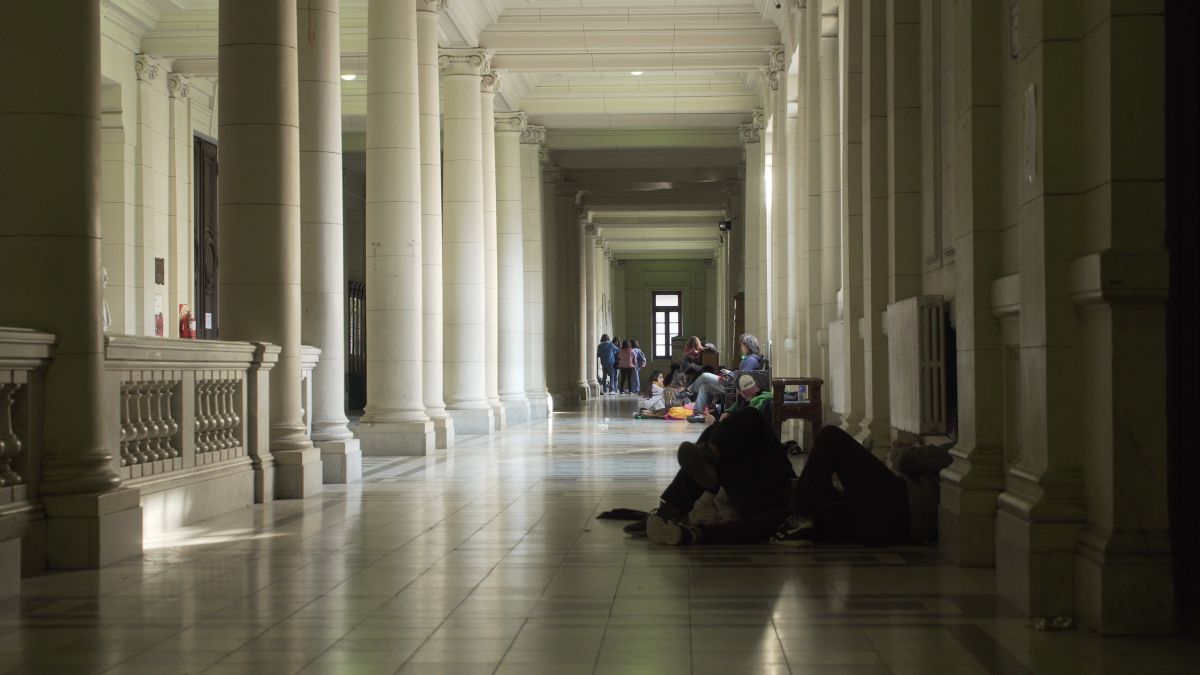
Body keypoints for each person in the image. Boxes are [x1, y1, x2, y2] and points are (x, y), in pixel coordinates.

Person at [633, 407, 796, 545]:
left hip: (775, 498)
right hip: (776, 488)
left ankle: (670, 509)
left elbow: (763, 524)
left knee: (748, 416)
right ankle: (710, 454)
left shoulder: (791, 512)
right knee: (723, 428)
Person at [774, 426, 954, 545]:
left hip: (902, 504)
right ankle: (800, 515)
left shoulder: (959, 449)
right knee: (819, 517)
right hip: (901, 526)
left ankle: (801, 510)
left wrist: (901, 447)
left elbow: (906, 459)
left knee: (830, 437)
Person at [686, 333, 765, 422]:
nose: (741, 348)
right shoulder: (752, 359)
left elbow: (743, 377)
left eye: (742, 345)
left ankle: (689, 391)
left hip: (731, 385)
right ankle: (698, 414)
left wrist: (731, 373)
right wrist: (731, 373)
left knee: (705, 376)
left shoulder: (751, 360)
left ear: (747, 346)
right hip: (732, 382)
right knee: (703, 387)